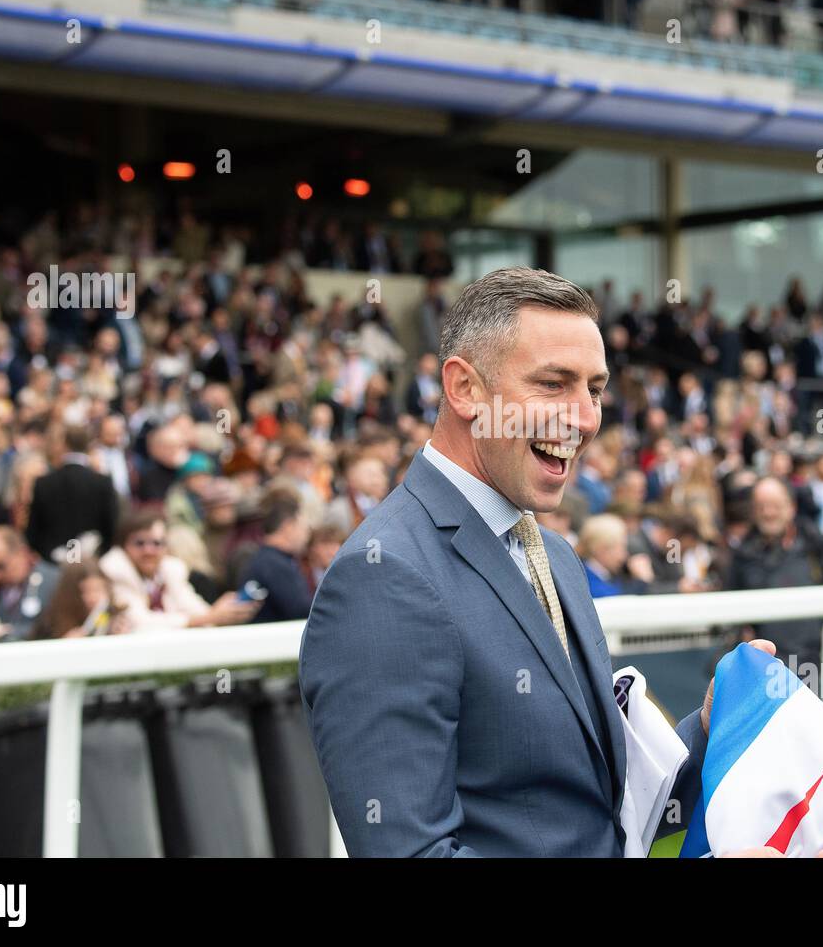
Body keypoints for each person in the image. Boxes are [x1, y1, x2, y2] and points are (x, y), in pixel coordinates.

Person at [300, 266, 772, 857]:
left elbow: (588, 798)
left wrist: (704, 731)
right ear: (465, 389)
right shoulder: (383, 575)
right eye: (553, 384)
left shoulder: (552, 554)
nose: (584, 418)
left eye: (595, 389)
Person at [727, 476, 823, 673]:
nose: (768, 513)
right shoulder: (742, 555)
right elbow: (730, 610)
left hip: (818, 662)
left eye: (775, 506)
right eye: (761, 506)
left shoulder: (814, 542)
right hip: (768, 667)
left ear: (791, 507)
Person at [98, 510, 257, 633]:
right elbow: (139, 623)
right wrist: (210, 616)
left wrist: (221, 611)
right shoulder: (114, 572)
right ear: (123, 546)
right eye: (140, 543)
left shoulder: (171, 571)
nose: (149, 550)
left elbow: (195, 610)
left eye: (157, 543)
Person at [26, 424, 120, 562]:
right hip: (91, 562)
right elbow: (111, 527)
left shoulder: (44, 483)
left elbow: (34, 531)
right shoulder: (102, 482)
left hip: (53, 563)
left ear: (64, 444)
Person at [0, 526, 59, 641]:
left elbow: (55, 628)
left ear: (22, 553)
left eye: (1, 566)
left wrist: (10, 632)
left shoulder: (52, 581)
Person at [238, 492, 315, 623]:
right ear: (289, 526)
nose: (307, 534)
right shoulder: (275, 565)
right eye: (303, 527)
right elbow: (303, 612)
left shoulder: (267, 560)